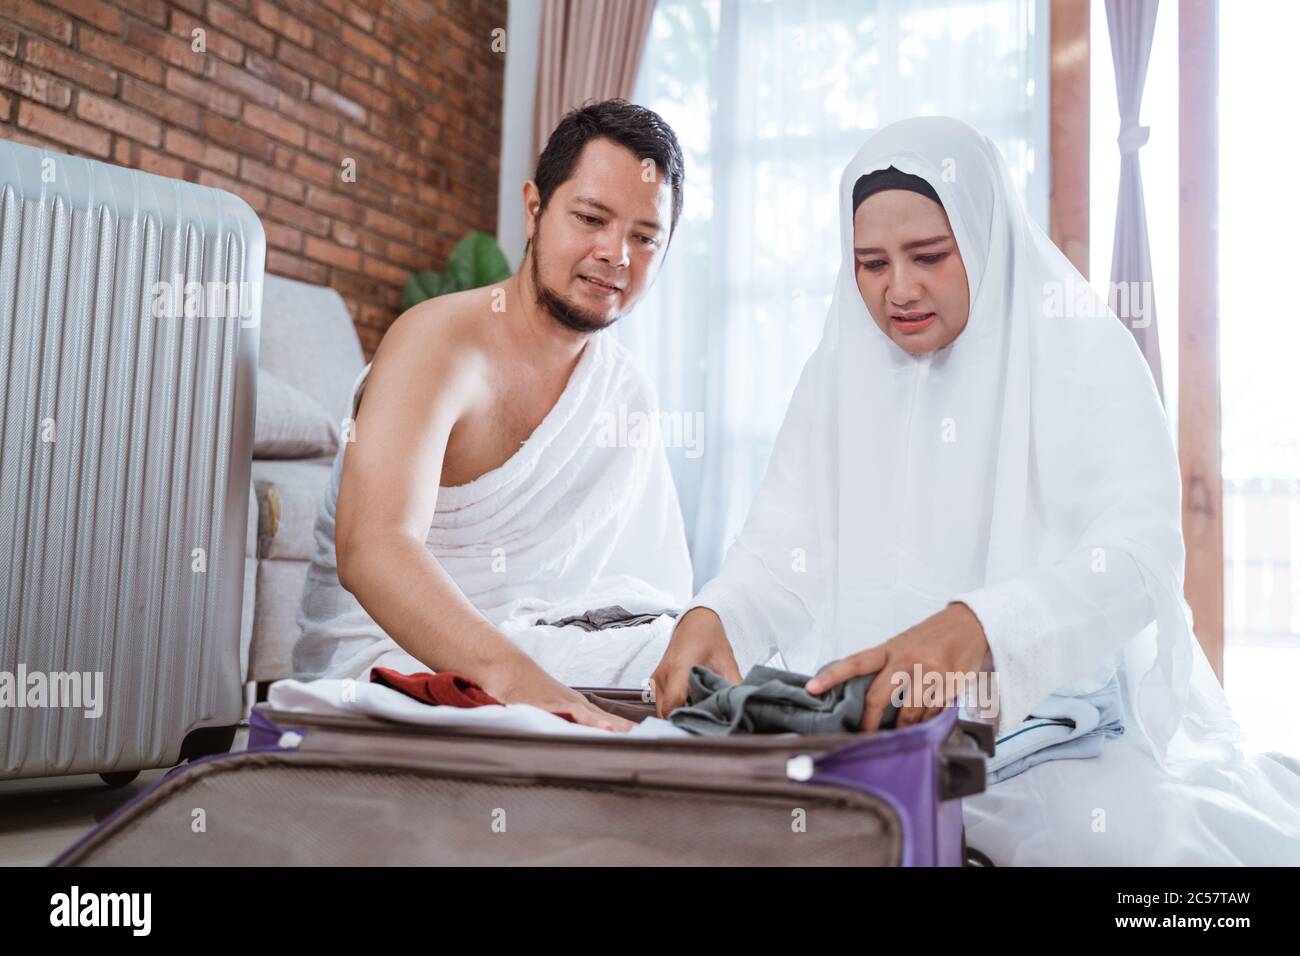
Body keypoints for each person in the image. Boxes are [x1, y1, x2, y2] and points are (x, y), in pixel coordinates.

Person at [650, 115, 1300, 864]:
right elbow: (778, 556)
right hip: (878, 730)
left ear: (986, 235)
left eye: (929, 255)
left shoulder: (1080, 352)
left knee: (1113, 852)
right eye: (870, 263)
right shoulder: (837, 374)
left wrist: (984, 628)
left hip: (1060, 731)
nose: (899, 289)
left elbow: (1138, 559)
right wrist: (716, 613)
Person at [292, 100, 692, 732]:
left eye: (646, 237)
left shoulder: (625, 390)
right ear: (535, 210)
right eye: (591, 218)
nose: (616, 254)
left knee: (708, 661)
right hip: (402, 660)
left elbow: (639, 587)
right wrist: (523, 684)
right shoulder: (436, 344)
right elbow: (372, 547)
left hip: (556, 642)